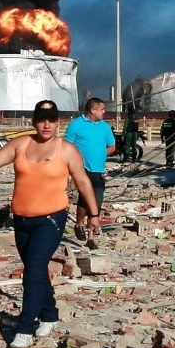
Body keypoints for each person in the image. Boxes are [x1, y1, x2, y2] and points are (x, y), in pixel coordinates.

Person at [0, 99, 99, 348]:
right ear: (34, 121)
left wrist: (94, 214)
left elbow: (84, 182)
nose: (46, 125)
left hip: (50, 220)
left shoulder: (66, 150)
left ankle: (25, 328)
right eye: (42, 120)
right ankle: (50, 314)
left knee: (32, 271)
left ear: (58, 123)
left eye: (52, 120)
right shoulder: (21, 144)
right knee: (36, 270)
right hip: (21, 221)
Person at [64, 97, 117, 241]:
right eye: (102, 109)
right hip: (81, 169)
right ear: (92, 110)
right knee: (84, 201)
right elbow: (66, 147)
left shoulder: (105, 127)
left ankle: (91, 238)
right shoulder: (76, 125)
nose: (104, 112)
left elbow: (112, 147)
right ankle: (79, 224)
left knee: (97, 203)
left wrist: (100, 153)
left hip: (98, 170)